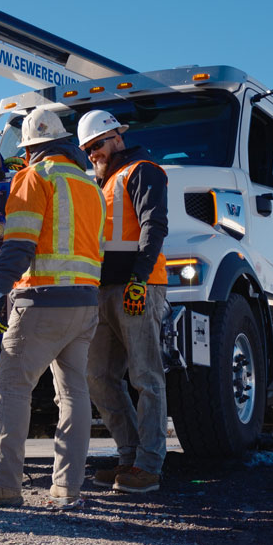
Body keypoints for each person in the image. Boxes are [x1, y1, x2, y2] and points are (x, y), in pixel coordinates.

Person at [0, 107, 104, 510]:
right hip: (86, 304)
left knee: (13, 388)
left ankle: (3, 483)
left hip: (41, 300)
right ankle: (67, 487)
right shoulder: (89, 185)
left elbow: (20, 243)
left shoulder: (34, 177)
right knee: (73, 392)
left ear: (31, 148)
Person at [77, 109, 170, 494]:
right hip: (104, 289)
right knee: (97, 375)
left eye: (97, 145)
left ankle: (148, 467)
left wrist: (138, 278)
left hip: (138, 287)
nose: (93, 154)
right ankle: (128, 457)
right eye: (87, 149)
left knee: (146, 377)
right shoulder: (101, 183)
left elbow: (155, 225)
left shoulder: (142, 170)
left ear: (116, 138)